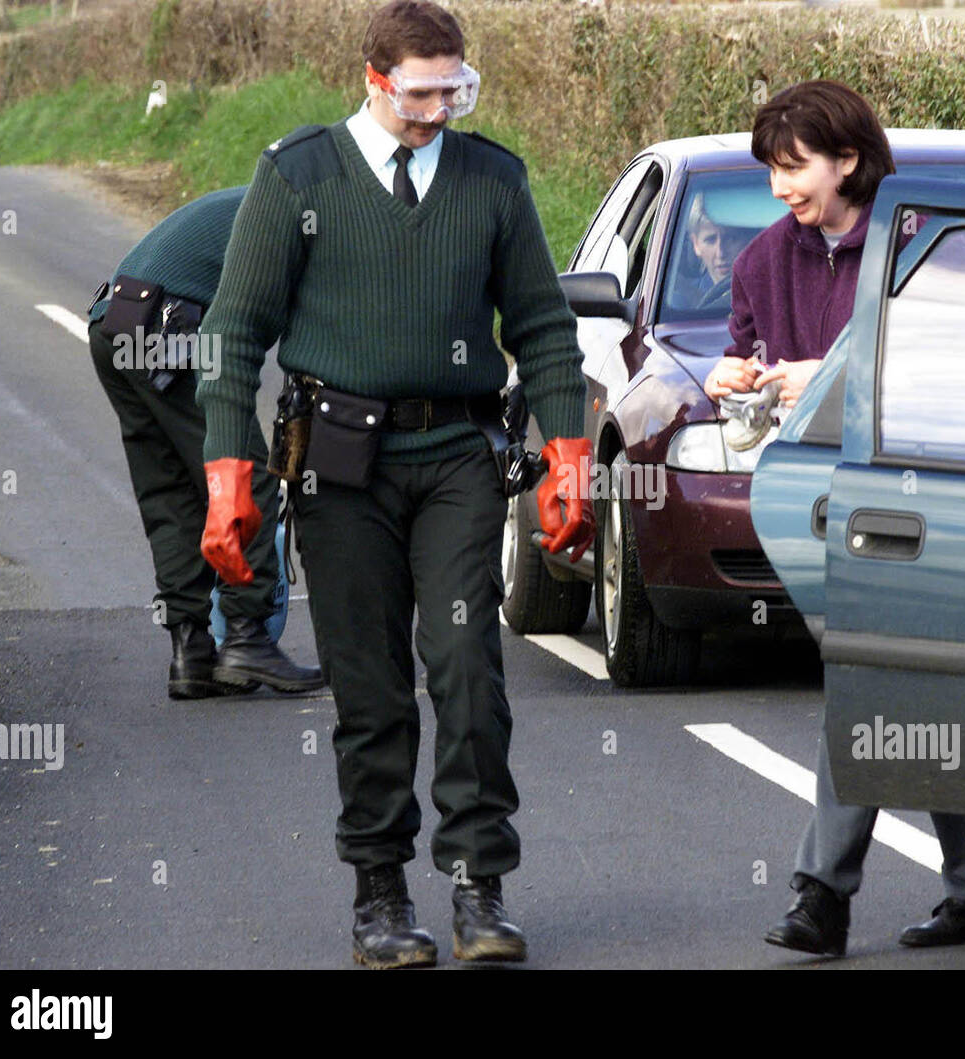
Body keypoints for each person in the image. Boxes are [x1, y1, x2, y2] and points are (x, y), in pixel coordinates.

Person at [194, 0, 593, 968]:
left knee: (467, 673)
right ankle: (380, 895)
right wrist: (225, 468)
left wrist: (571, 453)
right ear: (375, 83)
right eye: (421, 94)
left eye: (455, 89)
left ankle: (477, 888)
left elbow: (541, 327)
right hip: (340, 466)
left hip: (456, 455)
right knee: (370, 692)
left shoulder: (493, 178)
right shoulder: (298, 175)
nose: (439, 112)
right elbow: (234, 333)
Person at [703, 80, 965, 957]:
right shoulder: (764, 260)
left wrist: (836, 378)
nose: (780, 189)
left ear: (847, 158)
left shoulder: (923, 244)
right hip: (820, 510)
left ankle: (821, 896)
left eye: (793, 167)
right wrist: (734, 383)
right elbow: (752, 375)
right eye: (770, 170)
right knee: (916, 689)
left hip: (924, 505)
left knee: (868, 684)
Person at [86, 188, 324, 700]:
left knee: (172, 490)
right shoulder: (319, 221)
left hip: (113, 323)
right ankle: (245, 638)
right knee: (243, 475)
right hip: (170, 326)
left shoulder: (275, 198)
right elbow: (316, 337)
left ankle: (191, 654)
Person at [679, 194, 746, 308]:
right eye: (710, 240)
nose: (721, 253)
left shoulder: (770, 293)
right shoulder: (682, 303)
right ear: (696, 244)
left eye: (731, 239)